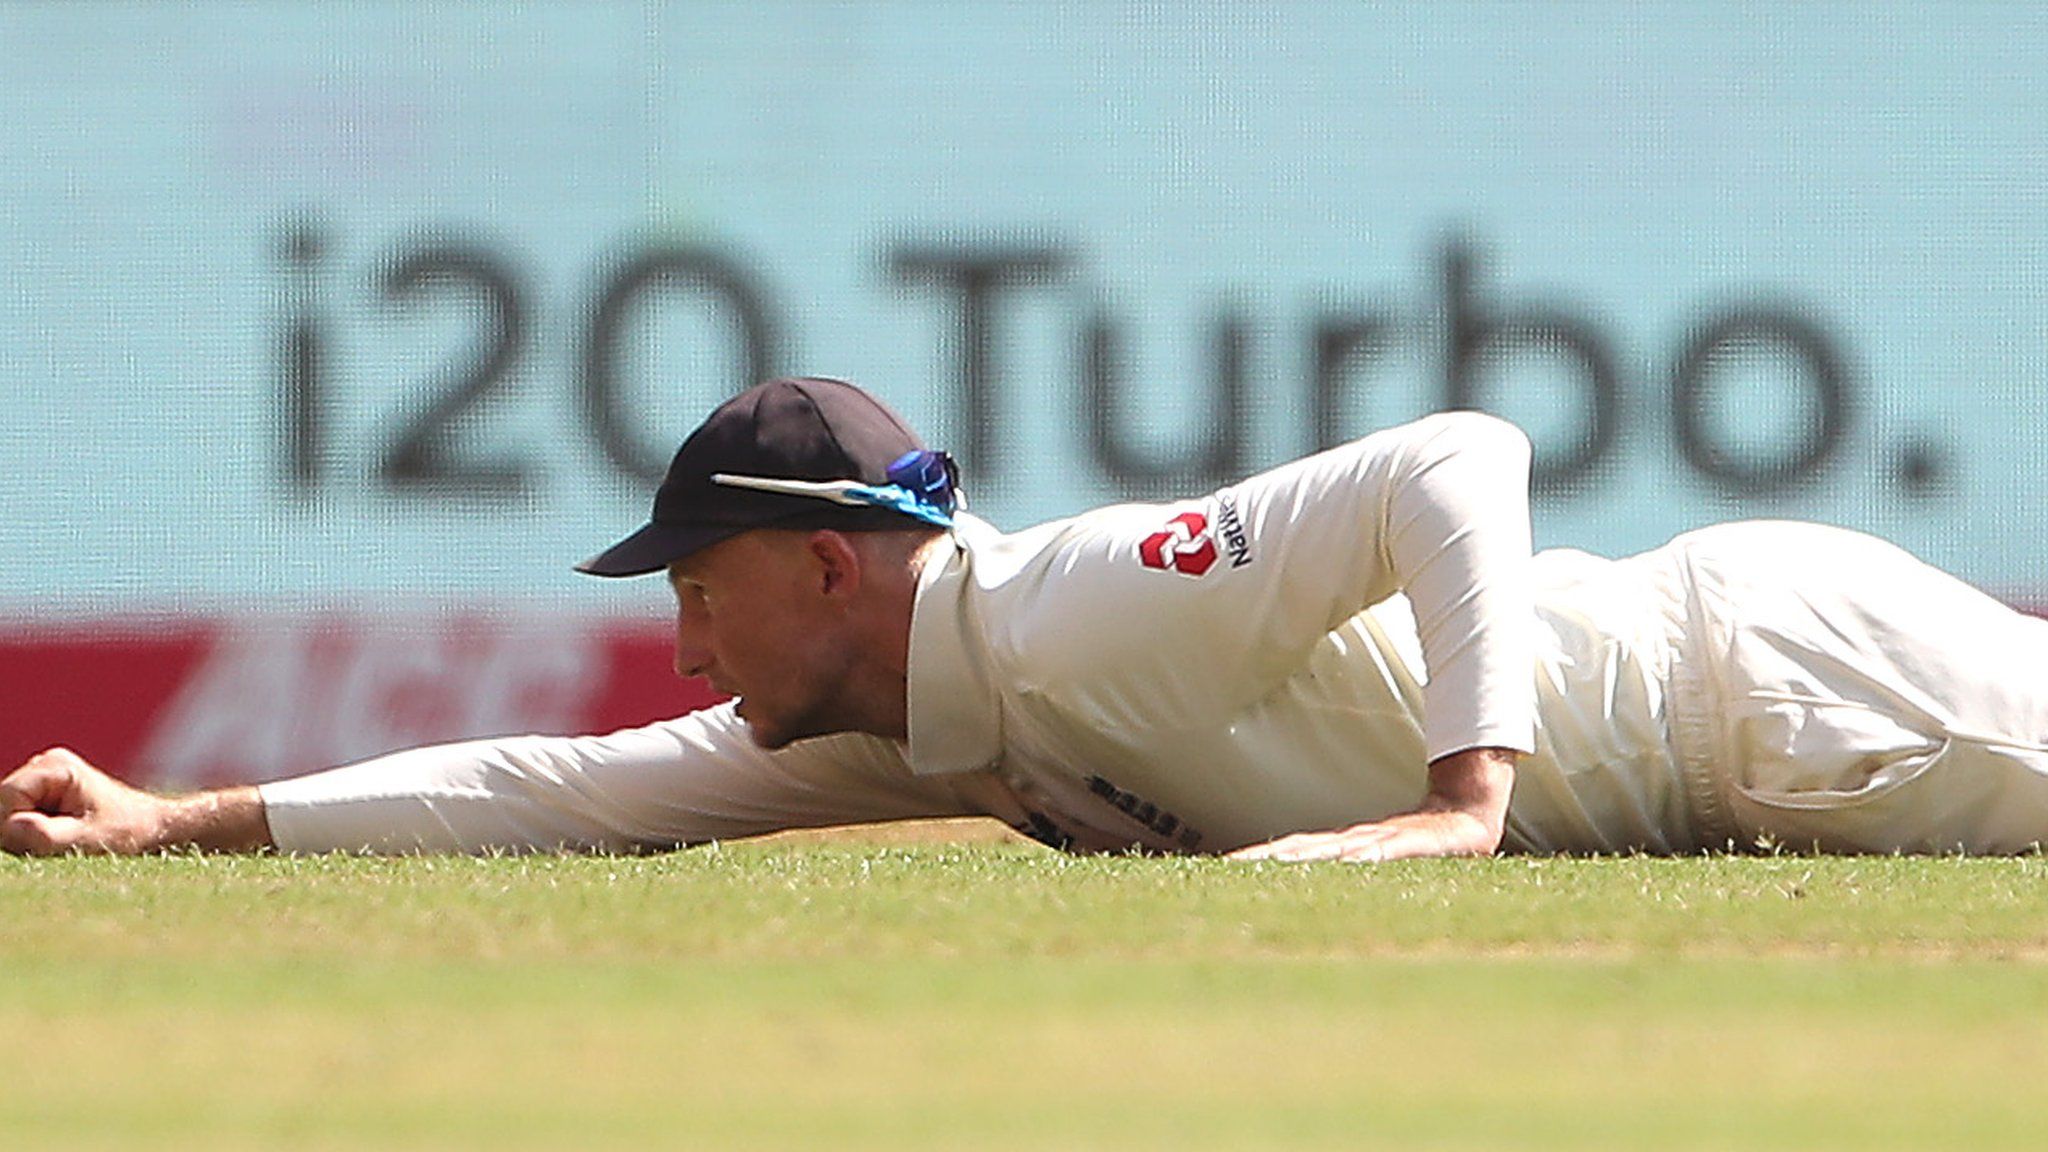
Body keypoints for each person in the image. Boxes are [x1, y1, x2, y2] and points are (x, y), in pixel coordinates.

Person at [9, 376, 2048, 862]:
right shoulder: (896, 716)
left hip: (1775, 674)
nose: (688, 658)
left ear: (829, 571)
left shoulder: (1070, 606)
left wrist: (1464, 792)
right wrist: (179, 822)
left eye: (706, 599)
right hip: (1740, 771)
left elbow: (1463, 456)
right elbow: (557, 785)